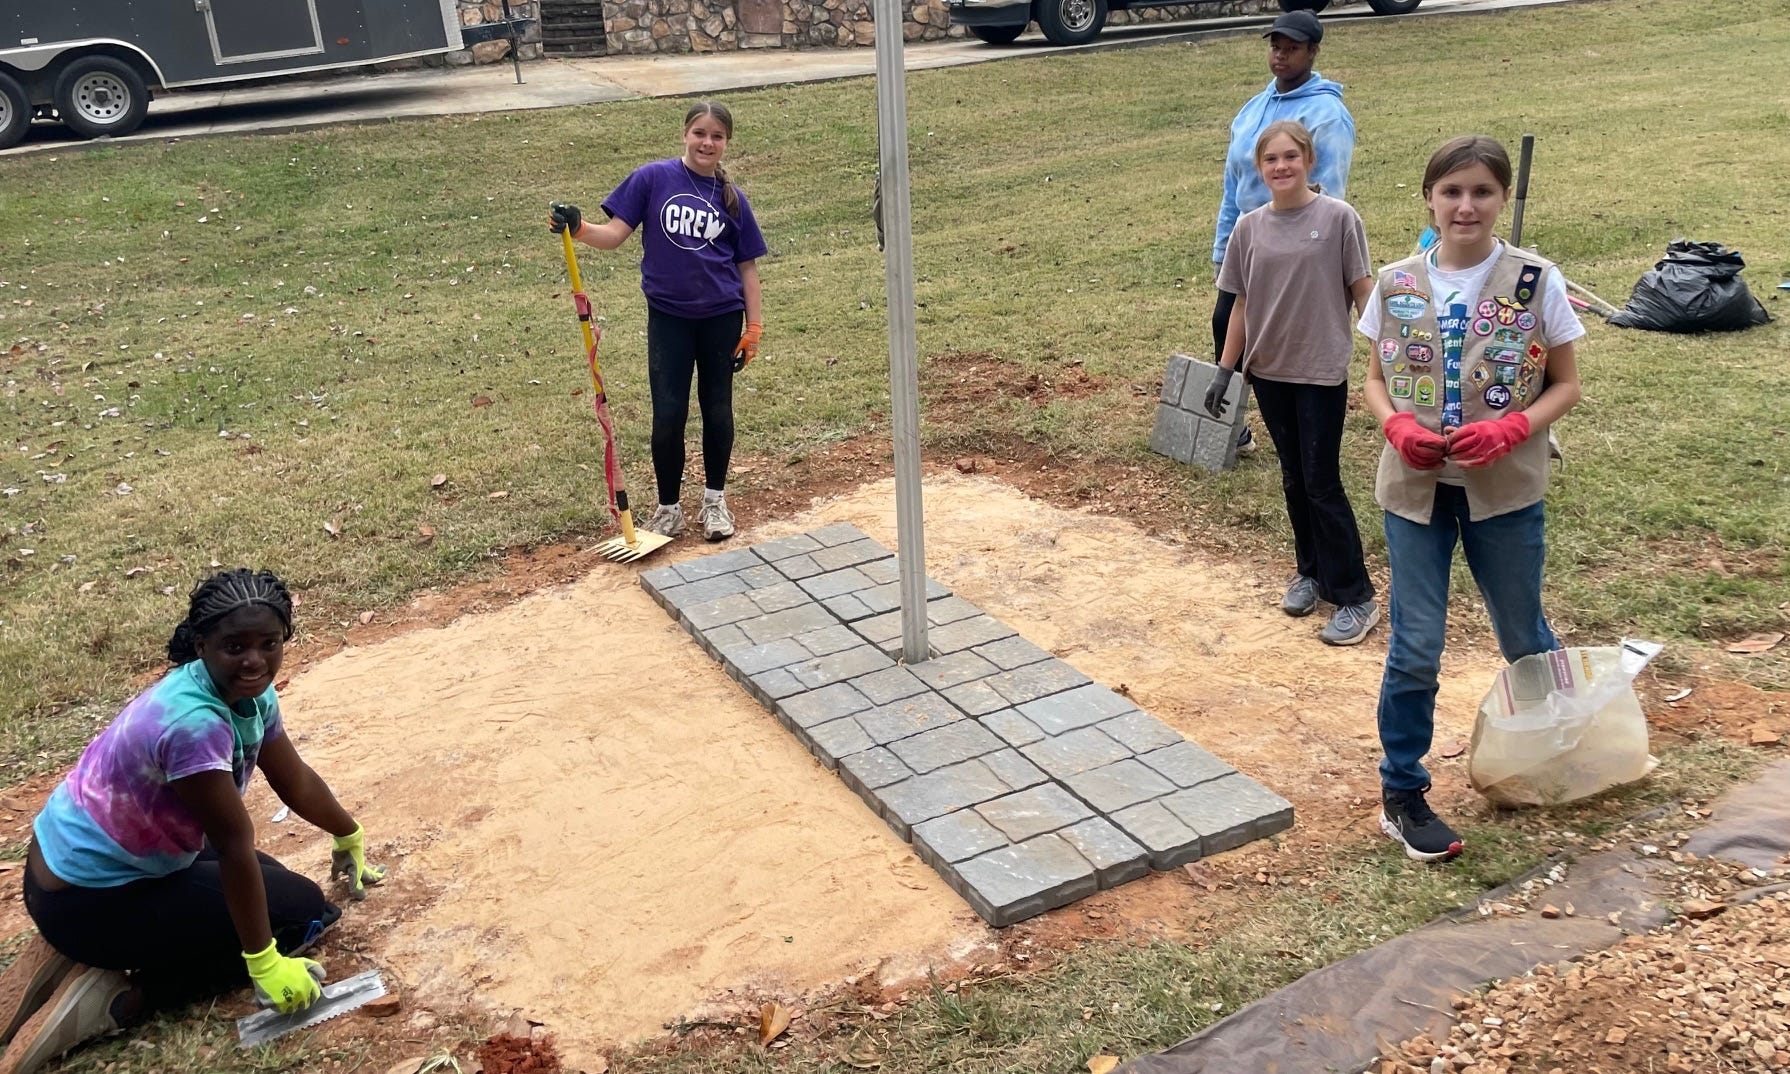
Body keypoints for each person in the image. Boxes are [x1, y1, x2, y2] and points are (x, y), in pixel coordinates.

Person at [0, 569, 386, 1074]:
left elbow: (294, 781)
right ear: (201, 644)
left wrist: (347, 831)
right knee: (302, 915)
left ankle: (78, 952)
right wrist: (265, 964)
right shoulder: (191, 724)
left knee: (274, 886)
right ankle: (124, 997)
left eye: (269, 643)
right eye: (235, 646)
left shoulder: (246, 692)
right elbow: (232, 845)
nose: (255, 661)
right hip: (87, 900)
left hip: (76, 867)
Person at [1358, 135, 1585, 862]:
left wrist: (1517, 425)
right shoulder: (1395, 282)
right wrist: (1394, 422)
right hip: (1415, 492)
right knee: (1417, 642)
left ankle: (1554, 753)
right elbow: (1373, 379)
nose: (1466, 206)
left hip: (1505, 490)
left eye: (1482, 192)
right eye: (1452, 191)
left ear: (1501, 200)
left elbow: (1566, 383)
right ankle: (1403, 792)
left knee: (1523, 633)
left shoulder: (1535, 280)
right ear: (1429, 198)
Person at [549, 100, 769, 544]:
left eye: (717, 136)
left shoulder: (732, 199)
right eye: (700, 133)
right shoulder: (653, 178)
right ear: (685, 134)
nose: (707, 142)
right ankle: (668, 509)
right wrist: (579, 227)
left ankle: (714, 502)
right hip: (669, 317)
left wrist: (754, 326)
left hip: (721, 318)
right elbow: (613, 236)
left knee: (717, 408)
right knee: (668, 413)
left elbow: (747, 267)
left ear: (727, 143)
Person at [1204, 120, 1379, 645]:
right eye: (1270, 160)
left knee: (1321, 481)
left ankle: (1356, 596)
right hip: (1270, 371)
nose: (1281, 167)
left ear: (1309, 160)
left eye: (1290, 157)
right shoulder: (1250, 228)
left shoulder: (1338, 218)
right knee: (1293, 477)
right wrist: (1225, 370)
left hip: (1320, 371)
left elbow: (1364, 290)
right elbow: (1241, 302)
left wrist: (1386, 359)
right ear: (1259, 169)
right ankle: (1311, 573)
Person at [1210, 9, 1356, 457]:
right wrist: (1223, 245)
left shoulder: (1328, 114)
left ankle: (1300, 429)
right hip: (1250, 243)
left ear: (1313, 52)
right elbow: (1235, 181)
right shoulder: (1254, 108)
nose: (1282, 55)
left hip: (1295, 249)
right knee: (1226, 324)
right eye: (1276, 46)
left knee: (1283, 339)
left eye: (1293, 48)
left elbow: (1327, 186)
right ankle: (1234, 428)